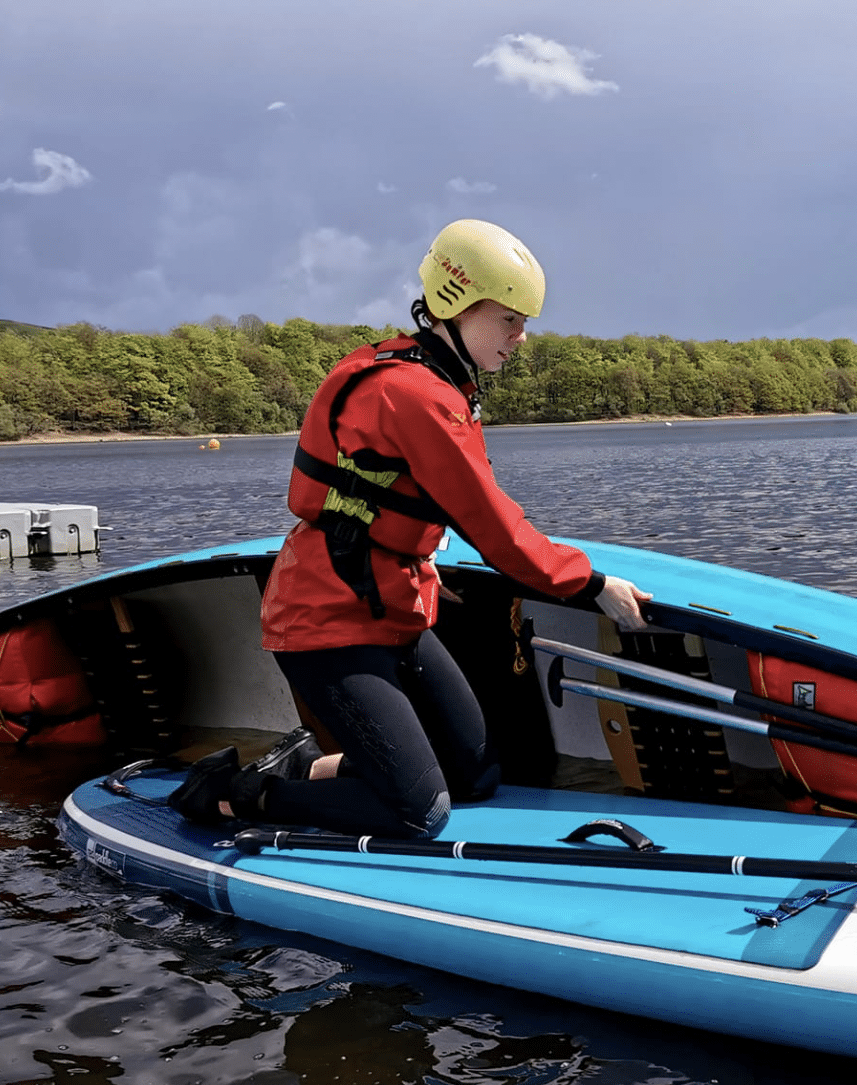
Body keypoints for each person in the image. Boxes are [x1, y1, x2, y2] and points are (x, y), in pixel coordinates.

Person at [170, 218, 652, 836]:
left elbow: (388, 505)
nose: (522, 337)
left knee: (474, 777)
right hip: (326, 623)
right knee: (418, 812)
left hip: (393, 606)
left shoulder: (424, 374)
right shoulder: (417, 394)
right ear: (459, 307)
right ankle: (231, 794)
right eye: (509, 318)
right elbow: (495, 526)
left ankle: (305, 765)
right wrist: (591, 585)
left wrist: (419, 562)